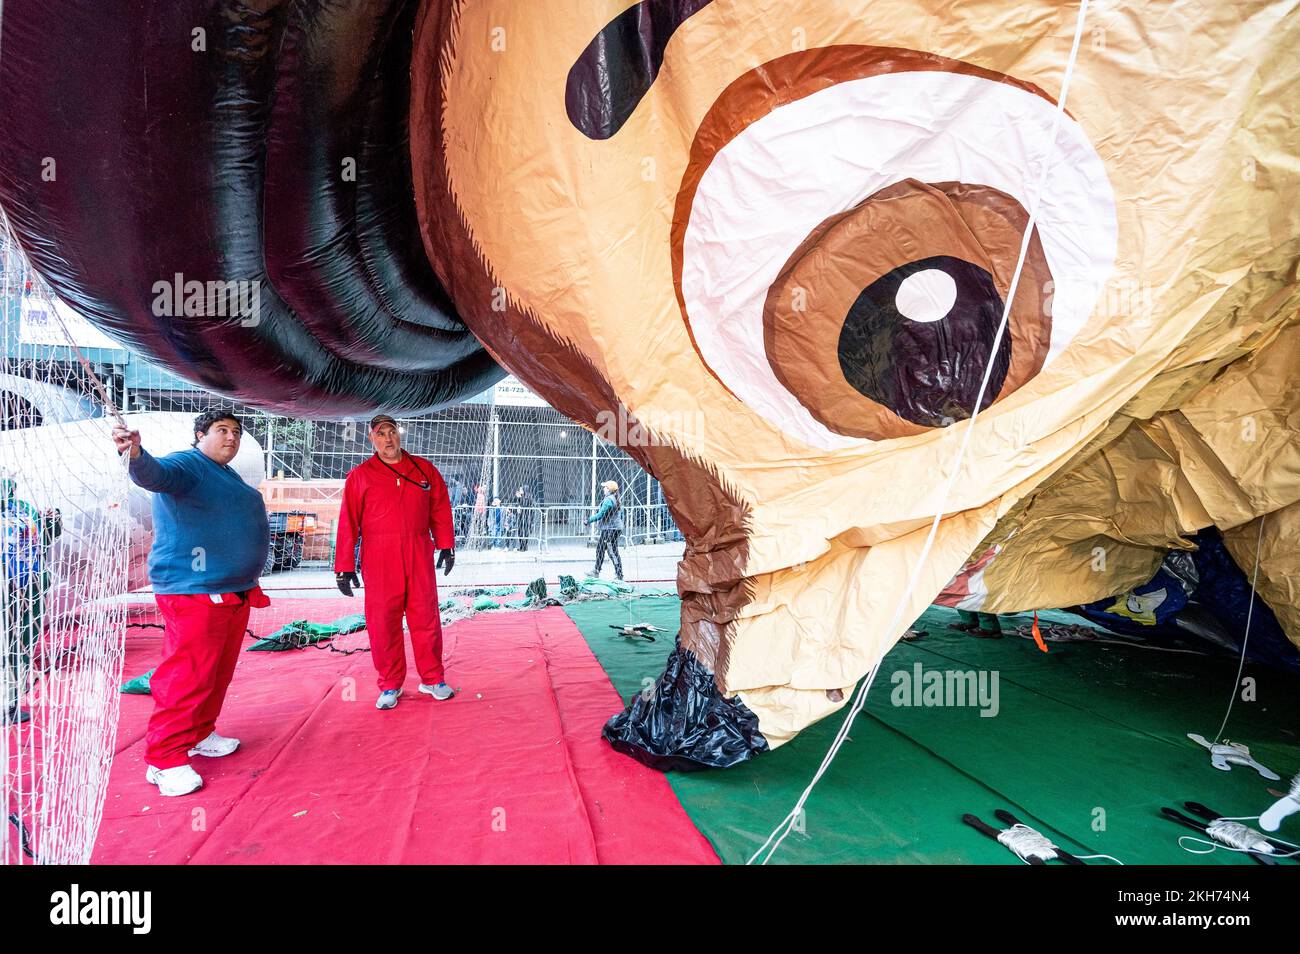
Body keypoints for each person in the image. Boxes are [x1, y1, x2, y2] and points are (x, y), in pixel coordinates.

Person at [113, 409, 271, 797]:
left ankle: (200, 734)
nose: (231, 437)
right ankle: (164, 760)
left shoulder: (224, 474)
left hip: (230, 590)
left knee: (216, 672)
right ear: (200, 435)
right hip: (194, 591)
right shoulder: (190, 463)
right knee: (188, 675)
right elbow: (156, 474)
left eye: (236, 431)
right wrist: (136, 454)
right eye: (222, 430)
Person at [334, 414, 455, 709]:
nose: (388, 439)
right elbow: (348, 522)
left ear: (399, 434)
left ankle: (432, 678)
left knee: (425, 617)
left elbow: (439, 507)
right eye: (381, 434)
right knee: (383, 622)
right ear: (371, 439)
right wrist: (344, 566)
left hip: (418, 552)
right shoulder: (360, 476)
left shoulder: (424, 470)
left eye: (392, 432)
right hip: (379, 557)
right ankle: (389, 684)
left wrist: (446, 546)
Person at [1, 478, 61, 725]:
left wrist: (51, 522)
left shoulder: (23, 508)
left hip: (31, 586)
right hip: (6, 589)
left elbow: (44, 541)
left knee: (22, 645)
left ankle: (10, 702)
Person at [587, 480, 623, 581]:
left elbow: (600, 514)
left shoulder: (609, 500)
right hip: (610, 528)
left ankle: (619, 574)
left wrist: (589, 520)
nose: (603, 489)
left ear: (609, 489)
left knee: (612, 551)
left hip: (611, 529)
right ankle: (596, 571)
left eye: (605, 487)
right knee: (600, 549)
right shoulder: (615, 498)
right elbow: (621, 515)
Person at [514, 485, 534, 551]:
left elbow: (524, 506)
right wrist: (518, 498)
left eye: (521, 490)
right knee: (520, 532)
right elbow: (518, 505)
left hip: (526, 517)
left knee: (524, 532)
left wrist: (520, 498)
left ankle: (524, 547)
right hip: (521, 517)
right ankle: (522, 546)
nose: (520, 491)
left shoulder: (527, 498)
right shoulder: (522, 497)